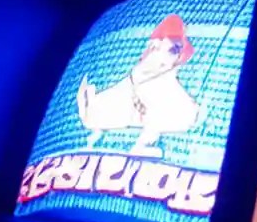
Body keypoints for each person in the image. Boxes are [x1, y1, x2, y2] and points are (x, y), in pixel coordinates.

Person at [76, 13, 202, 157]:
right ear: (157, 44)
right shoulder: (148, 68)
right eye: (173, 49)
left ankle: (140, 144)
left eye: (177, 49)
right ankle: (139, 146)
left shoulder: (166, 72)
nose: (175, 53)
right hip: (132, 101)